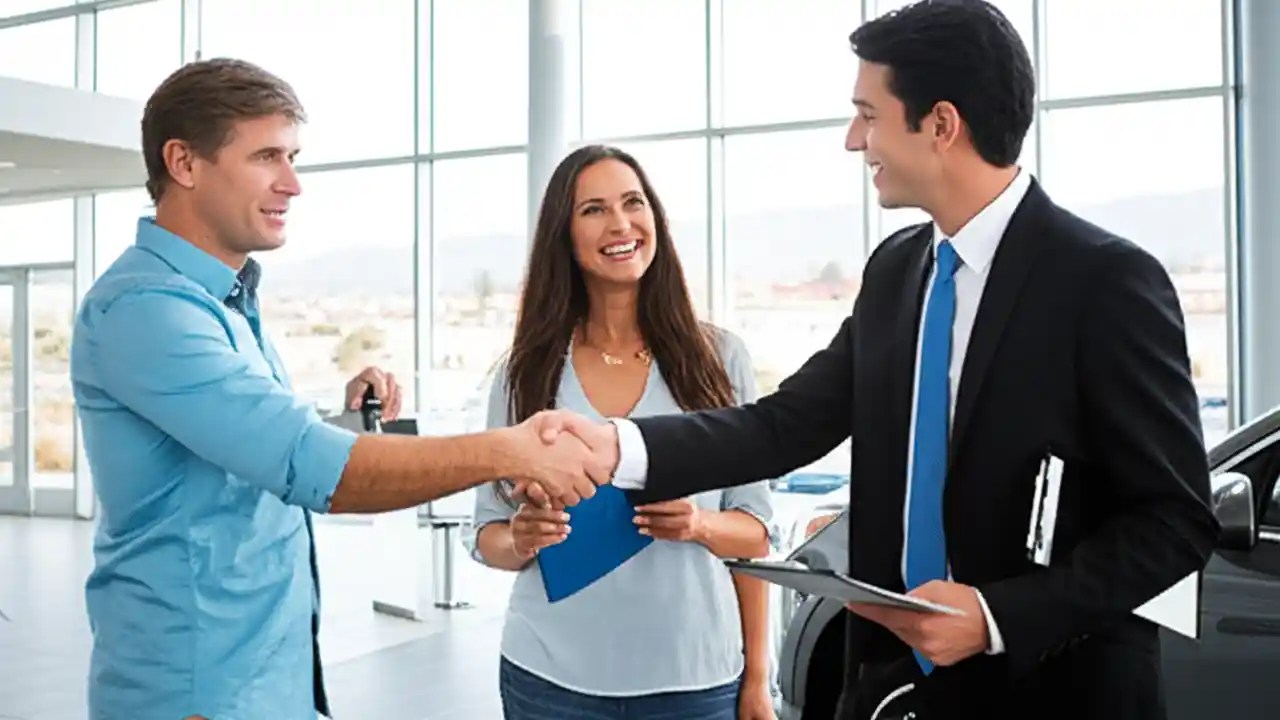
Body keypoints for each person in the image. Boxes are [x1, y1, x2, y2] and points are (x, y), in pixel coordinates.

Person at [529, 2, 1221, 718]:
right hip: (897, 689)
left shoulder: (1104, 282)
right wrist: (617, 446)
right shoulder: (897, 272)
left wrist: (995, 616)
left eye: (869, 113)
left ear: (941, 125)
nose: (854, 139)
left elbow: (1174, 520)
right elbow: (784, 426)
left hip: (1057, 691)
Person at [70, 58, 607, 720]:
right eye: (267, 156)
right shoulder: (146, 308)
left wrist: (346, 423)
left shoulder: (223, 302)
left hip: (269, 680)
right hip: (196, 693)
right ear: (183, 162)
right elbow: (316, 471)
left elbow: (243, 458)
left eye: (292, 157)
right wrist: (511, 451)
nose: (292, 183)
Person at [466, 145, 778, 720]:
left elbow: (756, 531)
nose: (620, 223)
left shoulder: (718, 359)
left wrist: (699, 525)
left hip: (695, 679)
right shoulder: (525, 372)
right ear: (564, 235)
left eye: (633, 202)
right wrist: (522, 539)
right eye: (593, 209)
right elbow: (487, 532)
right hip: (550, 679)